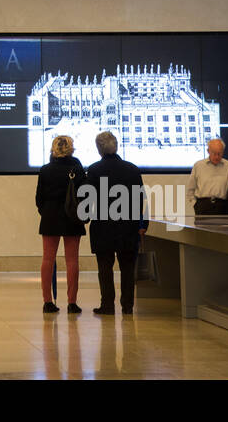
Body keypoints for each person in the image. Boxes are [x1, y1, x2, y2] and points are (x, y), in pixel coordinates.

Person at [84, 131, 148, 315]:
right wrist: (141, 224)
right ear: (117, 146)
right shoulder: (132, 169)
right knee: (128, 268)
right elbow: (139, 199)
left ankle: (107, 305)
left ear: (99, 149)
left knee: (105, 268)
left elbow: (88, 199)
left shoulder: (95, 170)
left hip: (103, 227)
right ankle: (127, 306)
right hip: (128, 226)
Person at [35, 134, 86, 314]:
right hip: (72, 217)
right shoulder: (77, 169)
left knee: (48, 259)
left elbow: (39, 199)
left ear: (54, 148)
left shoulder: (45, 170)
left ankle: (47, 302)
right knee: (72, 260)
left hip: (50, 217)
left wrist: (47, 212)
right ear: (71, 148)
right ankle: (72, 303)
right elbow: (84, 195)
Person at [186, 137, 228, 215]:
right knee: (200, 228)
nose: (217, 157)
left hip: (223, 207)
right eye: (214, 153)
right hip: (202, 207)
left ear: (223, 152)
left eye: (219, 153)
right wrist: (195, 205)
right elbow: (190, 190)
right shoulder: (198, 166)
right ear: (208, 151)